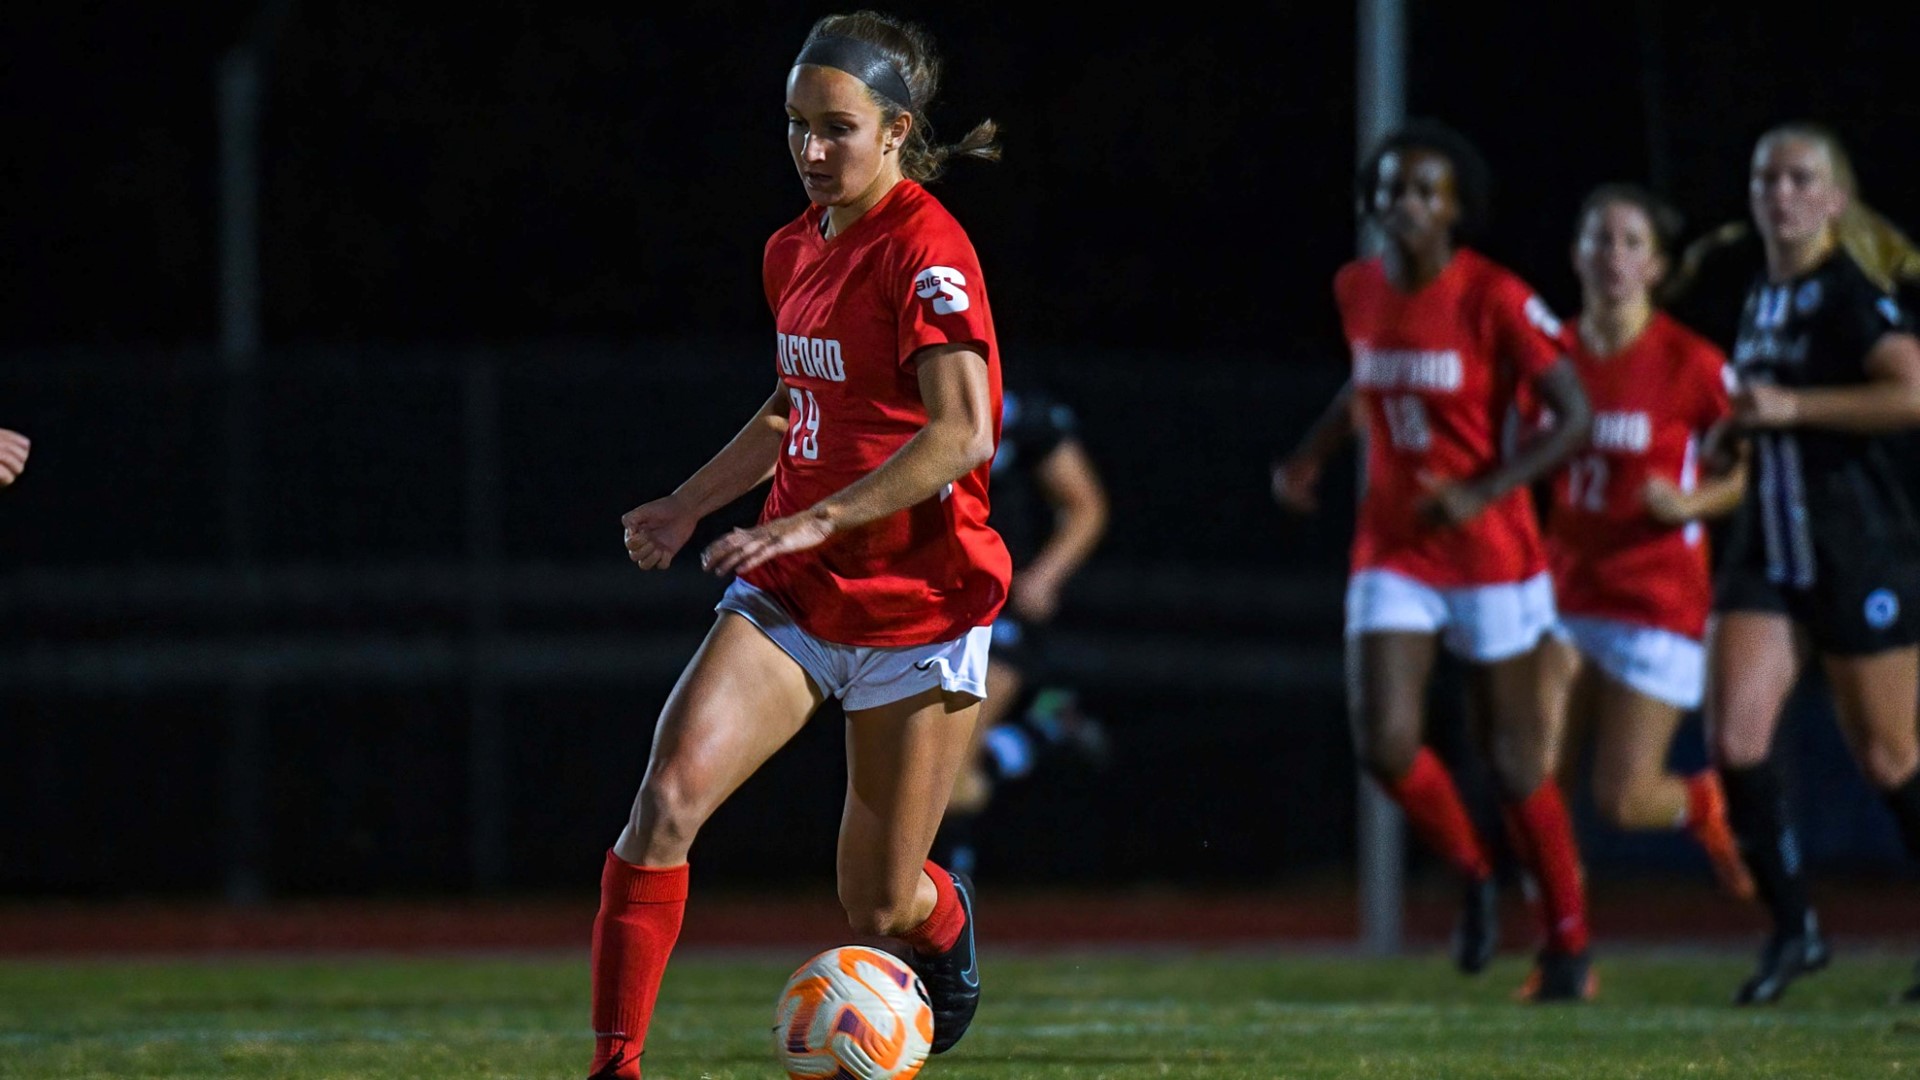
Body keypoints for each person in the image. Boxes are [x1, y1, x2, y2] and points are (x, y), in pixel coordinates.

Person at [593, 13, 1009, 1075]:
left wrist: (819, 512)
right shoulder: (793, 248)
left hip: (920, 600)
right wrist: (690, 504)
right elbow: (796, 404)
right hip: (796, 587)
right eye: (795, 127)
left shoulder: (928, 248)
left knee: (876, 896)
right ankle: (615, 1062)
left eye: (837, 129)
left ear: (896, 130)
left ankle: (947, 925)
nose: (811, 151)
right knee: (668, 795)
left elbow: (963, 432)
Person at [1272, 118, 1598, 1001]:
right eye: (1390, 190)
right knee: (1382, 744)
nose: (1404, 205)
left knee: (1515, 760)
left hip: (1493, 554)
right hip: (1395, 545)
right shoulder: (1358, 286)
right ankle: (1474, 869)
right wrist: (1312, 452)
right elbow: (1369, 382)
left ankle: (1568, 945)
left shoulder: (1495, 296)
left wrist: (1488, 489)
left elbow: (1574, 416)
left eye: (1423, 190)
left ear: (1456, 207)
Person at [1703, 121, 1920, 1006]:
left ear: (1834, 198)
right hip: (1769, 546)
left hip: (1854, 545)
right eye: (1766, 180)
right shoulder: (1762, 295)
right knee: (1733, 740)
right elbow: (1767, 412)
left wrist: (1791, 405)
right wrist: (1734, 437)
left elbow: (1911, 393)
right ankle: (1796, 930)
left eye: (1799, 180)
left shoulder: (1849, 293)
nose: (1780, 194)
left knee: (1888, 758)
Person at [1534, 183, 1754, 902]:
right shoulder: (1550, 355)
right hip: (1566, 590)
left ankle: (1703, 802)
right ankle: (1563, 942)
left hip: (1655, 597)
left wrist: (1692, 500)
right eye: (1600, 239)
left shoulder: (1692, 364)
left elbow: (1746, 472)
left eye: (1631, 243)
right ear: (1575, 254)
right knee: (1534, 773)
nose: (1613, 256)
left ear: (1656, 267)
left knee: (1623, 801)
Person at [934, 381, 1111, 877]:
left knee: (946, 777)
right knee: (921, 773)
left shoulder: (1011, 412)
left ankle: (948, 934)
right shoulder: (887, 406)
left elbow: (1086, 504)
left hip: (996, 614)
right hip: (923, 613)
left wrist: (1046, 576)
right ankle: (1042, 729)